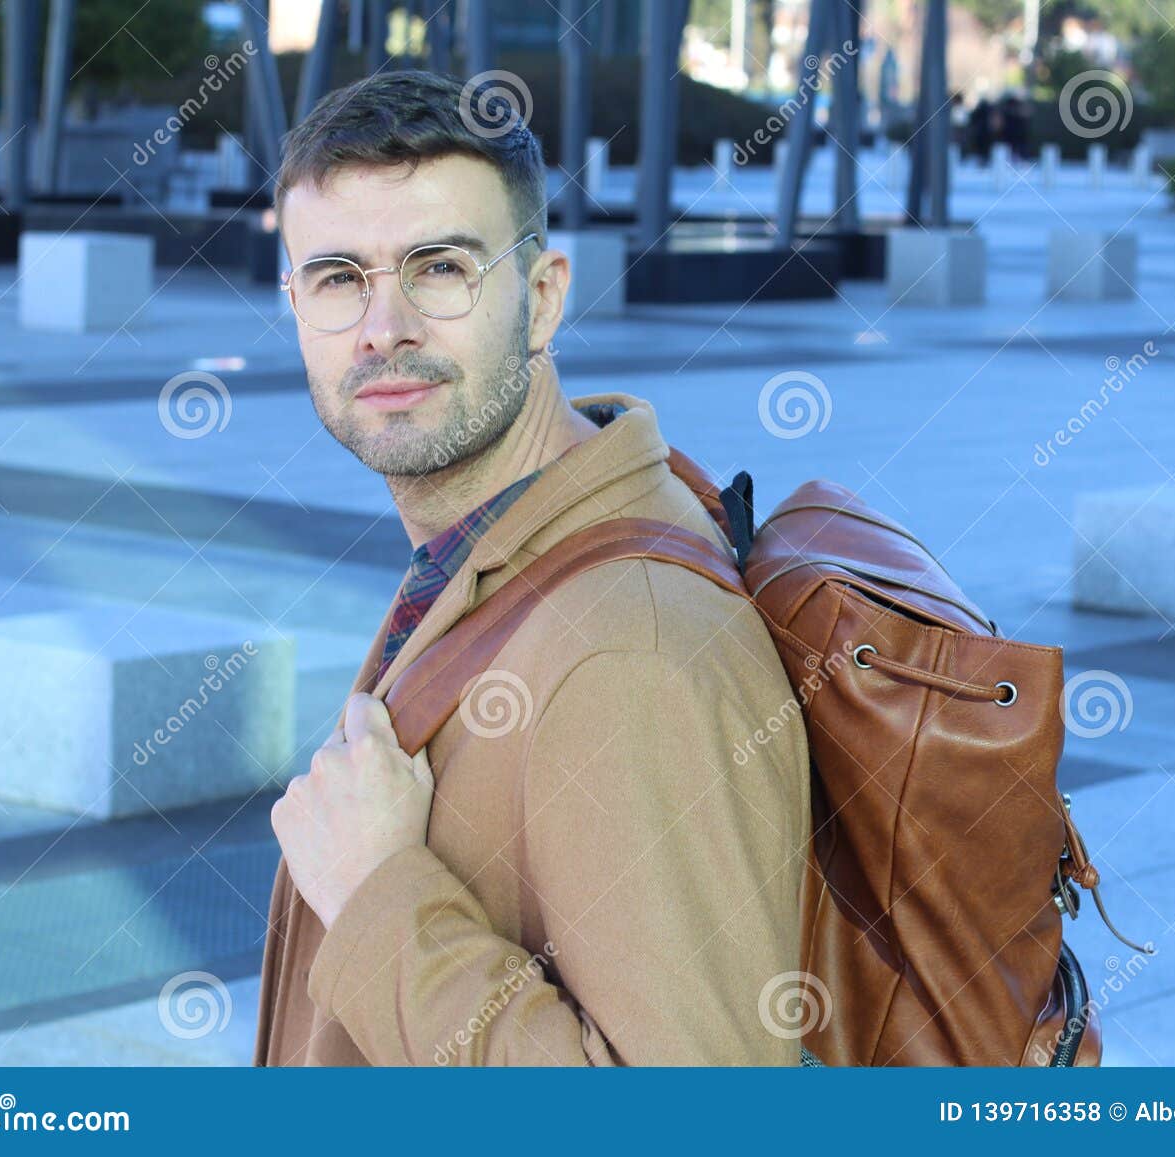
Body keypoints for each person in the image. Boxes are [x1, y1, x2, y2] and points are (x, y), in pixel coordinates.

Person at [253, 70, 810, 1067]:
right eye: (339, 278)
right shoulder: (506, 537)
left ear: (543, 297)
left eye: (439, 268)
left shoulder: (628, 649)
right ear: (294, 304)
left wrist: (380, 893)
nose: (384, 328)